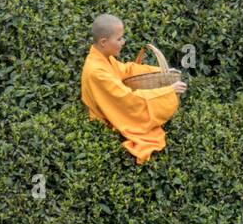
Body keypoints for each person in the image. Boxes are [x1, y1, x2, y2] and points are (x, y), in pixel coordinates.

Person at [80, 13, 188, 164]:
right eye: (119, 39)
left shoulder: (104, 58)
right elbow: (129, 99)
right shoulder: (97, 71)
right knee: (149, 136)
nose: (123, 42)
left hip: (112, 106)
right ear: (103, 42)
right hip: (104, 118)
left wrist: (160, 71)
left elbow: (128, 70)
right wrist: (169, 91)